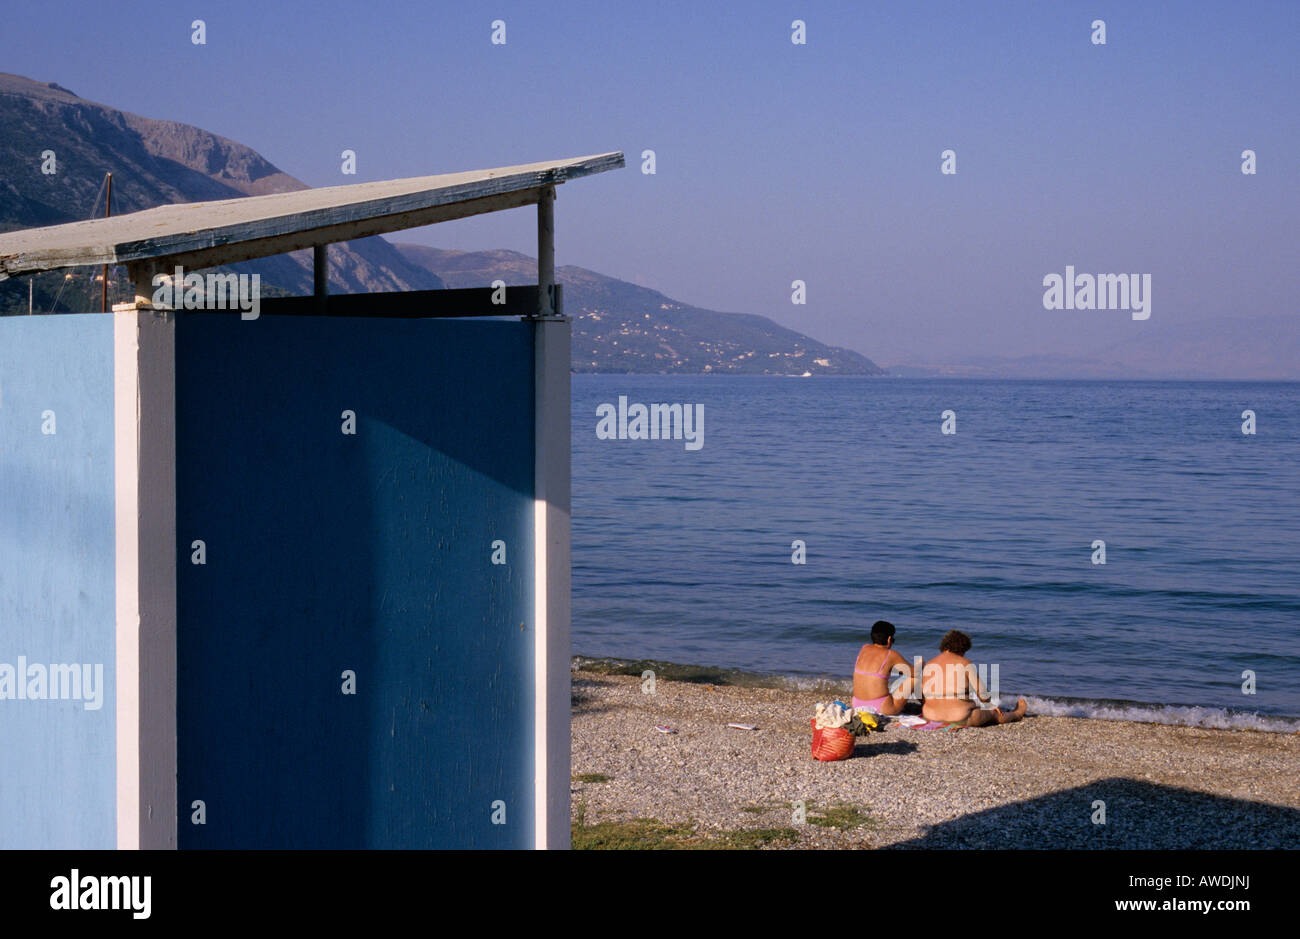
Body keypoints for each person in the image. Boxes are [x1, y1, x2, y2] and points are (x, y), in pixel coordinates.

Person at [920, 629, 1027, 727]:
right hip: (960, 718)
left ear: (944, 645)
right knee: (994, 713)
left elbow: (924, 695)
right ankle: (1017, 713)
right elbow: (984, 696)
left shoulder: (930, 664)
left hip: (930, 716)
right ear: (963, 649)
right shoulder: (964, 663)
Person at [852, 620, 916, 715]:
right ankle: (926, 706)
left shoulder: (864, 648)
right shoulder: (891, 655)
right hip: (881, 707)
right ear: (889, 639)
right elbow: (915, 673)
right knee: (915, 678)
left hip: (857, 704)